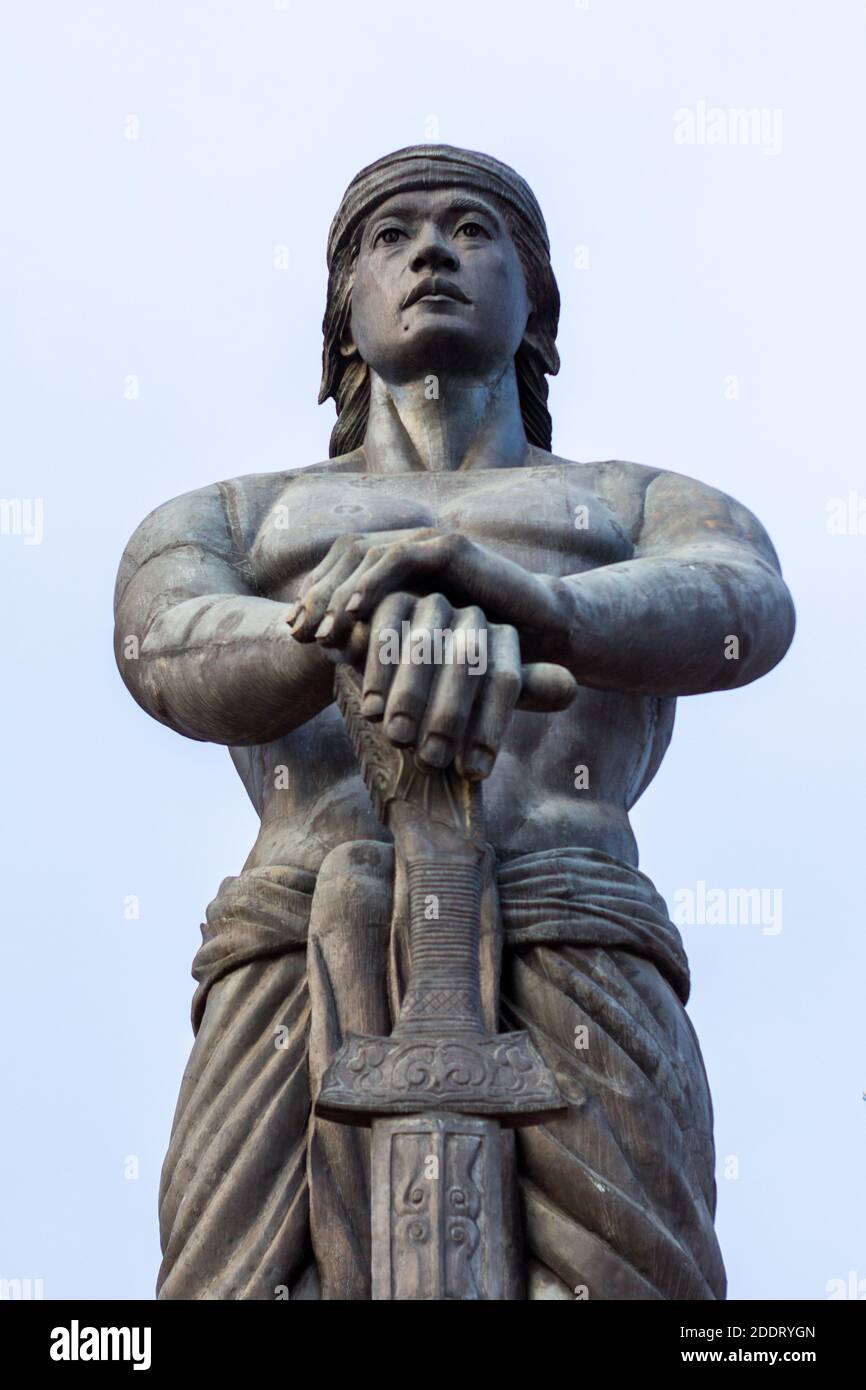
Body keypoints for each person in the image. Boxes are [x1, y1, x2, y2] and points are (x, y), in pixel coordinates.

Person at [114, 145, 795, 1300]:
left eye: (472, 229)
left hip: (571, 935)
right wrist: (356, 622)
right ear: (344, 320)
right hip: (295, 947)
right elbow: (159, 643)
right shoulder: (238, 514)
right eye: (391, 235)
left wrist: (530, 598)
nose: (431, 248)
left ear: (533, 304)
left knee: (646, 1293)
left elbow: (744, 606)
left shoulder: (633, 503)